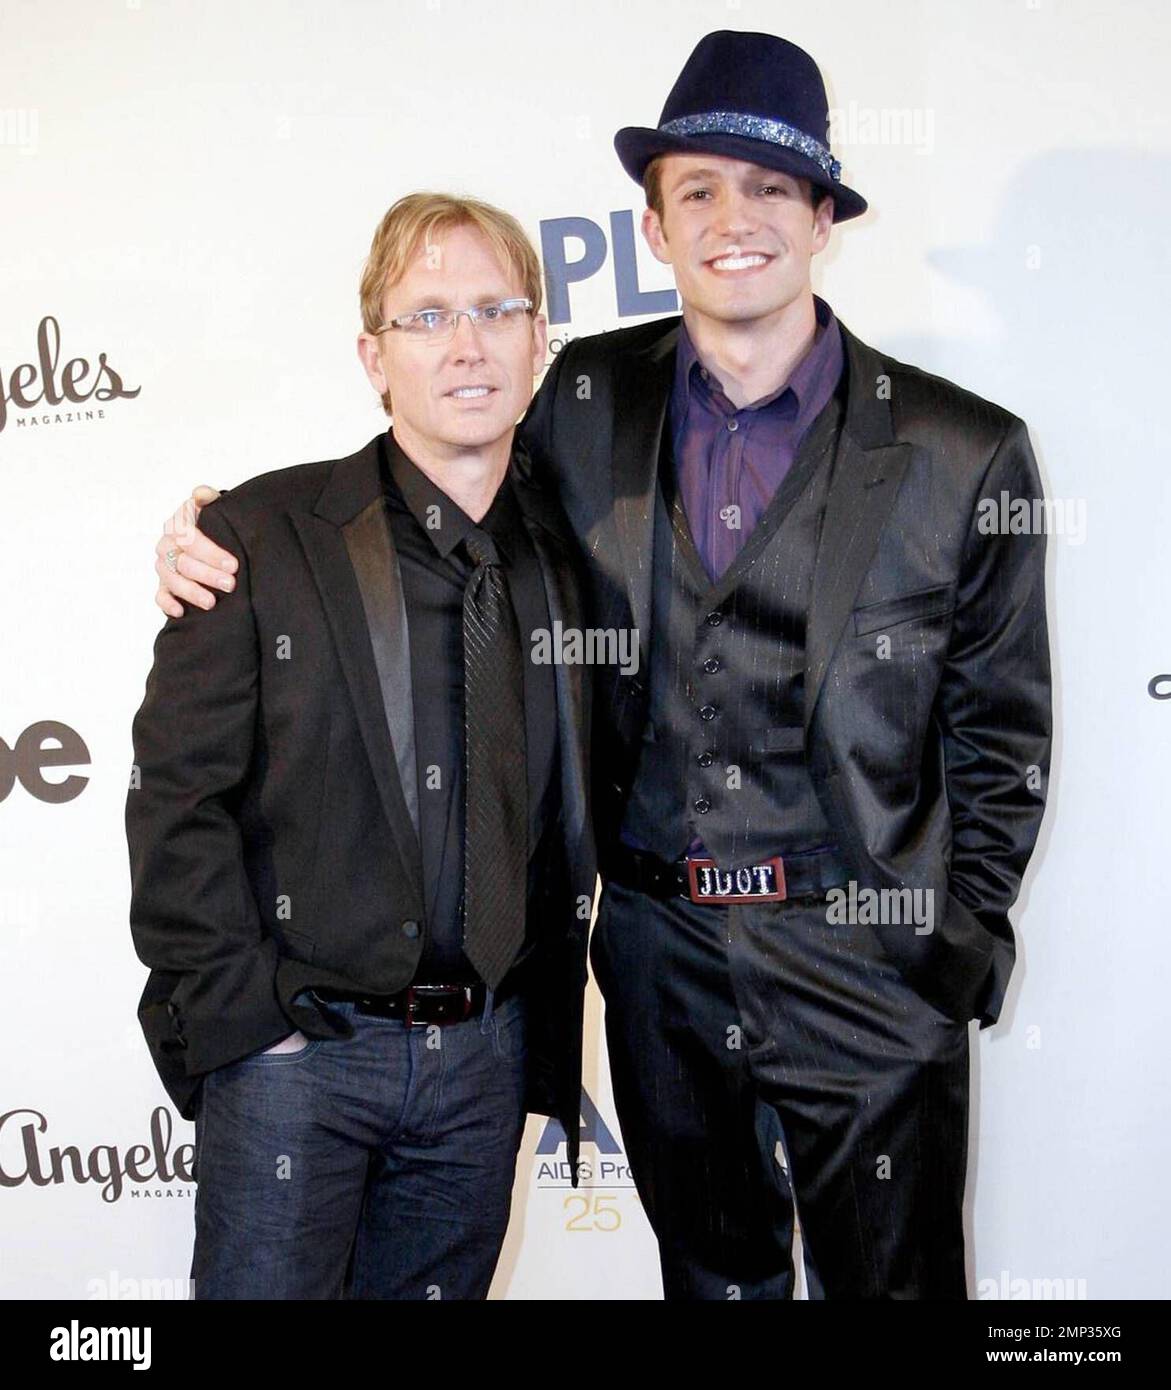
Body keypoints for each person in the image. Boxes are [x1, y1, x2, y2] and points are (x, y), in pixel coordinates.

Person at [150, 31, 1052, 1299]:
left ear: (824, 217)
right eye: (697, 191)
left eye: (770, 189)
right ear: (652, 227)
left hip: (868, 958)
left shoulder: (964, 450)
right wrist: (216, 522)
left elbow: (1000, 738)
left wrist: (947, 950)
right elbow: (423, 498)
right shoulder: (578, 399)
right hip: (658, 955)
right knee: (711, 1282)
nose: (732, 220)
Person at [126, 192, 595, 1299]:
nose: (467, 343)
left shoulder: (573, 555)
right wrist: (250, 1032)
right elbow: (173, 803)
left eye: (496, 309)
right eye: (426, 316)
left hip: (482, 1064)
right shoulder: (258, 534)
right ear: (372, 356)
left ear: (539, 341)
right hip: (300, 1060)